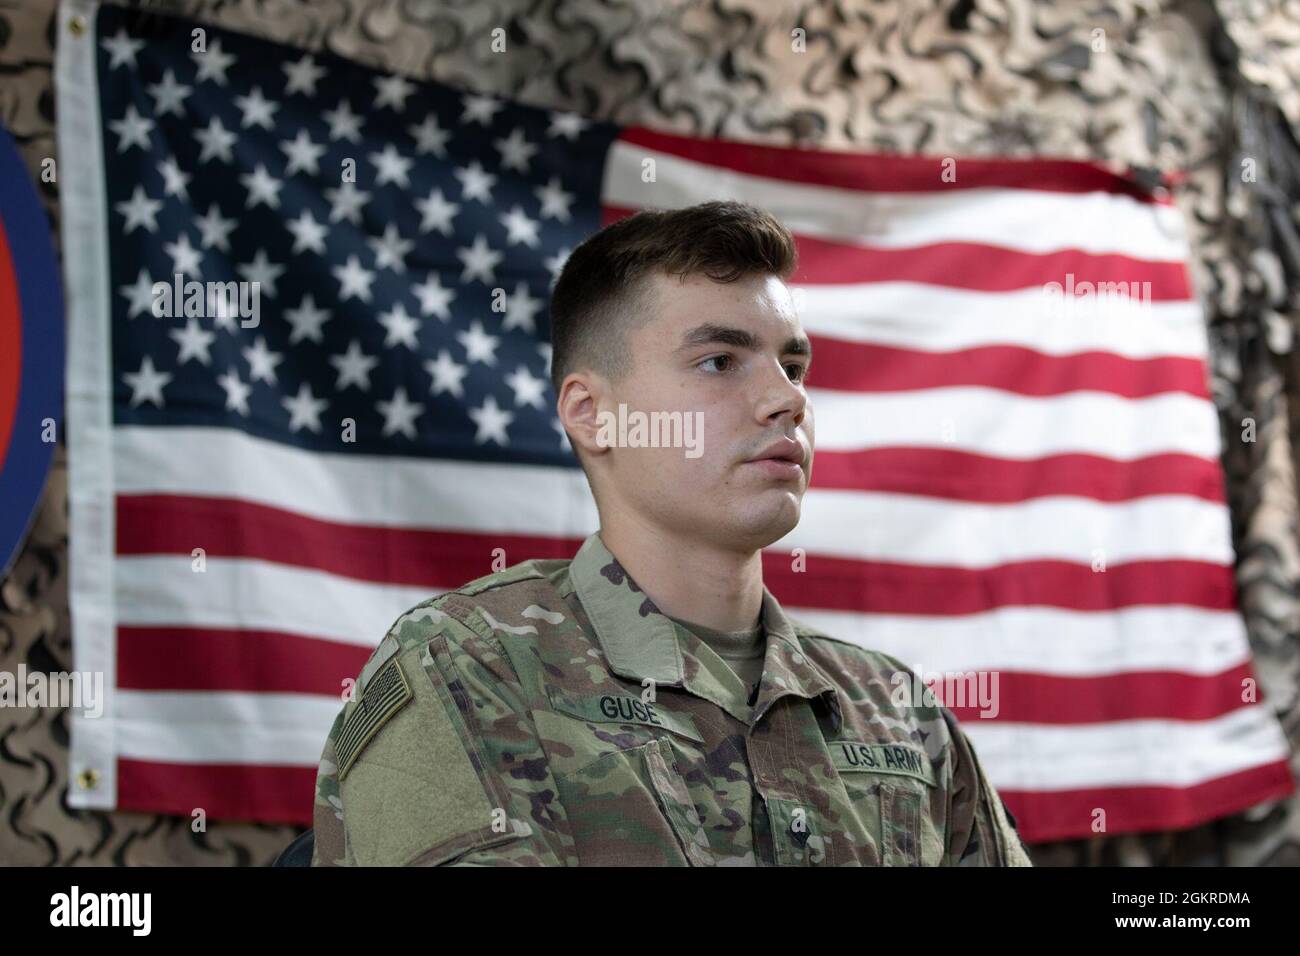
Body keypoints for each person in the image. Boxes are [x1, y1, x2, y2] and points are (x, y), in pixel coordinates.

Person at [309, 200, 1033, 866]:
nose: (787, 400)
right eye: (719, 361)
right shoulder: (469, 666)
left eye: (794, 365)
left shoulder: (895, 709)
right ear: (595, 414)